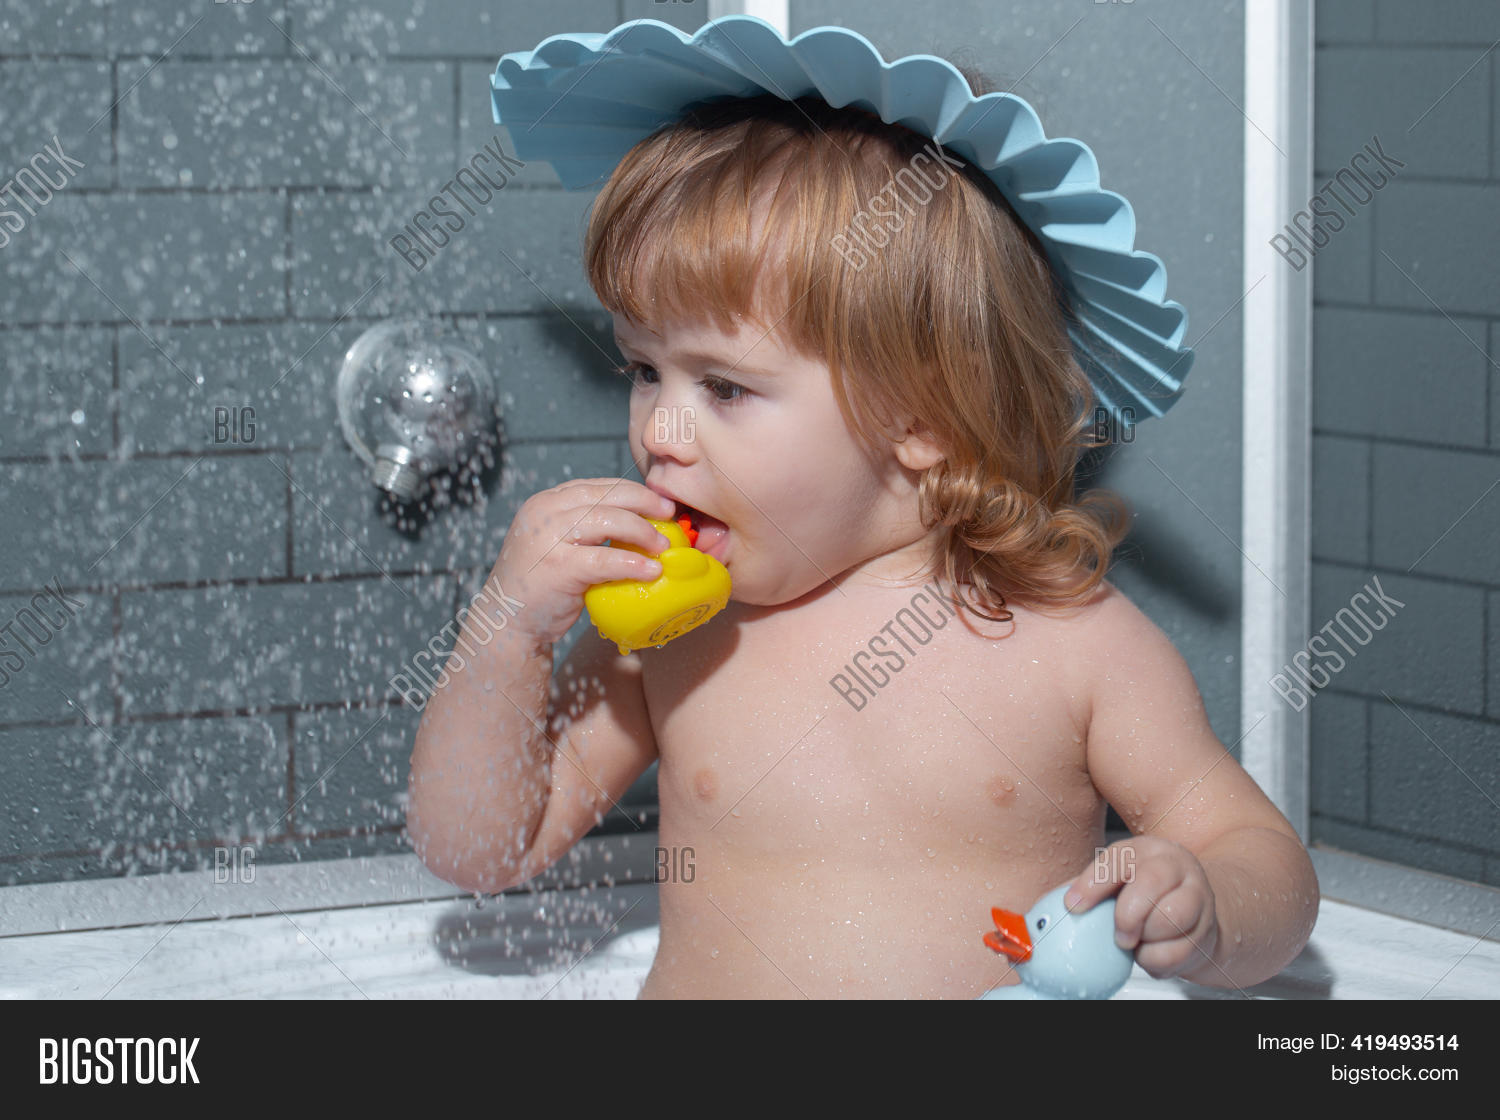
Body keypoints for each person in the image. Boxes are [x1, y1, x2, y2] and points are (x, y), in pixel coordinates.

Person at [408, 60, 1317, 998]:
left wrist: (1207, 908)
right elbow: (478, 850)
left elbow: (1268, 868)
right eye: (643, 370)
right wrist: (508, 630)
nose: (658, 434)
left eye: (722, 386)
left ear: (920, 417)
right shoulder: (669, 638)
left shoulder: (1078, 649)